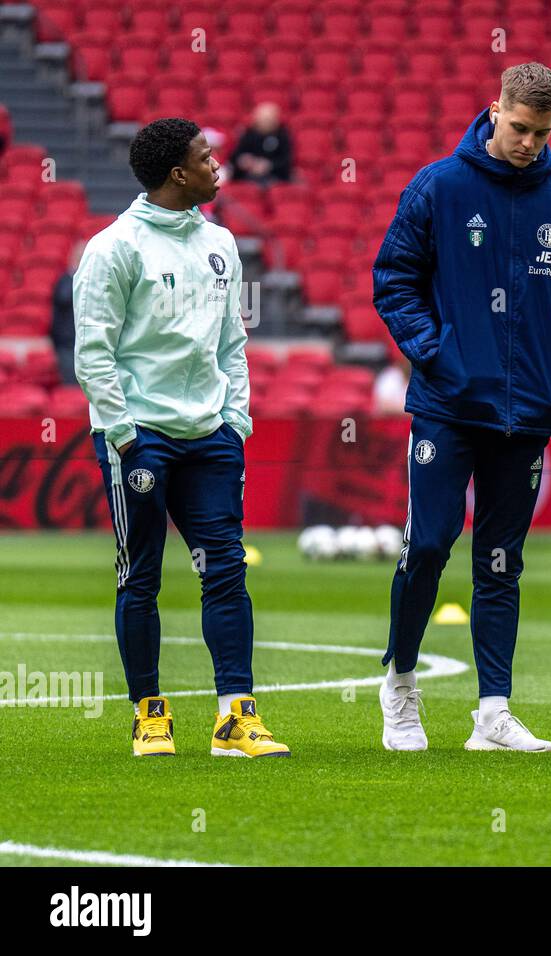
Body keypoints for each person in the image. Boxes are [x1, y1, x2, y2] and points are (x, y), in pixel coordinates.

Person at [372, 62, 551, 753]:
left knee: (502, 559)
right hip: (449, 404)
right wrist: (436, 351)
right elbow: (393, 279)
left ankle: (493, 712)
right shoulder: (440, 186)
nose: (529, 142)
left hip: (528, 408)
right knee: (430, 542)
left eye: (542, 131)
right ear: (494, 110)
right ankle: (402, 684)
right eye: (519, 127)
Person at [74, 118, 288, 758]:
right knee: (140, 576)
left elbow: (232, 342)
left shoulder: (221, 242)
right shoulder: (115, 248)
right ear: (178, 173)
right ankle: (149, 714)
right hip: (141, 437)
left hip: (211, 436)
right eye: (206, 157)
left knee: (225, 571)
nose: (218, 165)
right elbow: (93, 354)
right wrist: (124, 433)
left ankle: (236, 719)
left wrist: (237, 421)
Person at [229, 102, 293, 184]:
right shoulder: (249, 134)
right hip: (248, 177)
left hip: (275, 178)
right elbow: (234, 157)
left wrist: (269, 165)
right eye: (262, 120)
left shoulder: (282, 136)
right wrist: (243, 161)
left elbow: (286, 161)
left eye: (268, 120)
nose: (264, 123)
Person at [51, 241, 84, 384]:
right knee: (72, 386)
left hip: (84, 342)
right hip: (67, 345)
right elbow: (64, 298)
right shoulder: (65, 280)